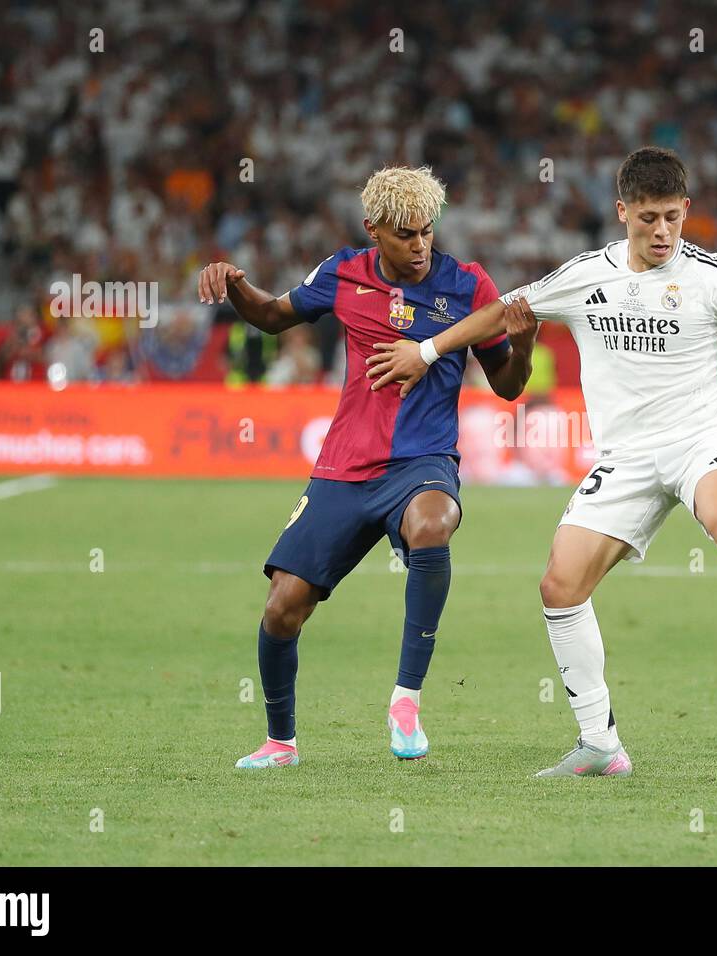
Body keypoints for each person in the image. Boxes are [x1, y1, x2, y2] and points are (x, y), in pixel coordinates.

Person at [368, 147, 717, 778]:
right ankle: (600, 744)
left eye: (672, 217)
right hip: (627, 457)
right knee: (559, 586)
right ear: (622, 213)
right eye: (647, 219)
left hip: (701, 436)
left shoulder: (712, 277)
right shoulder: (586, 276)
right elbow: (501, 313)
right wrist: (427, 350)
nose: (661, 232)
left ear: (686, 210)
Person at [197, 166, 535, 767]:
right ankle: (280, 742)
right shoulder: (343, 273)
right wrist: (235, 286)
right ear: (373, 230)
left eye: (428, 231)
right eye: (406, 234)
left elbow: (508, 385)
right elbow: (275, 315)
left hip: (422, 461)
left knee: (433, 524)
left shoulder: (466, 285)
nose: (420, 245)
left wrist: (523, 344)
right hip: (343, 467)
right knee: (282, 607)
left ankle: (405, 702)